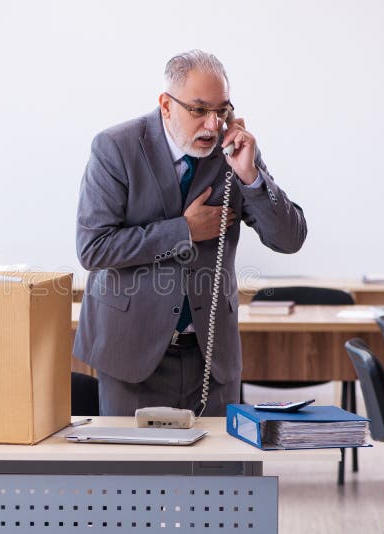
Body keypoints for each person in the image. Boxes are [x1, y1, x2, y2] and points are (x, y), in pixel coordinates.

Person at [74, 50, 307, 416]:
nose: (213, 125)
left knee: (220, 472)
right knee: (135, 473)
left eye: (222, 110)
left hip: (211, 357)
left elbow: (290, 239)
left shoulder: (234, 152)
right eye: (199, 110)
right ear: (166, 105)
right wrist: (184, 230)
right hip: (132, 355)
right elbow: (94, 248)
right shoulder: (115, 148)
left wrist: (250, 177)